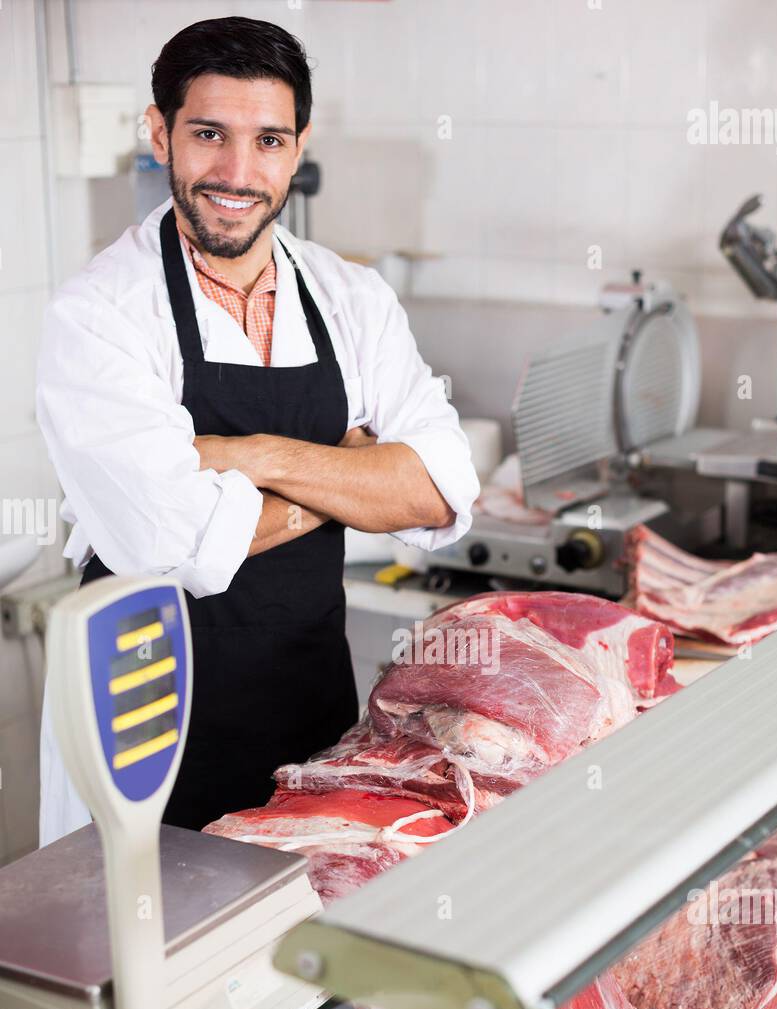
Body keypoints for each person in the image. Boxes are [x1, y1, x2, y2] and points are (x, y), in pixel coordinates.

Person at [37, 16, 477, 845]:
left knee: (302, 952)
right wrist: (349, 478)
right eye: (209, 134)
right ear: (159, 131)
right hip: (145, 730)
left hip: (308, 701)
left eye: (268, 140)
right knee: (155, 952)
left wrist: (256, 456)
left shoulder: (351, 297)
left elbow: (438, 485)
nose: (238, 173)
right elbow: (172, 541)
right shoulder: (99, 316)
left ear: (298, 144)